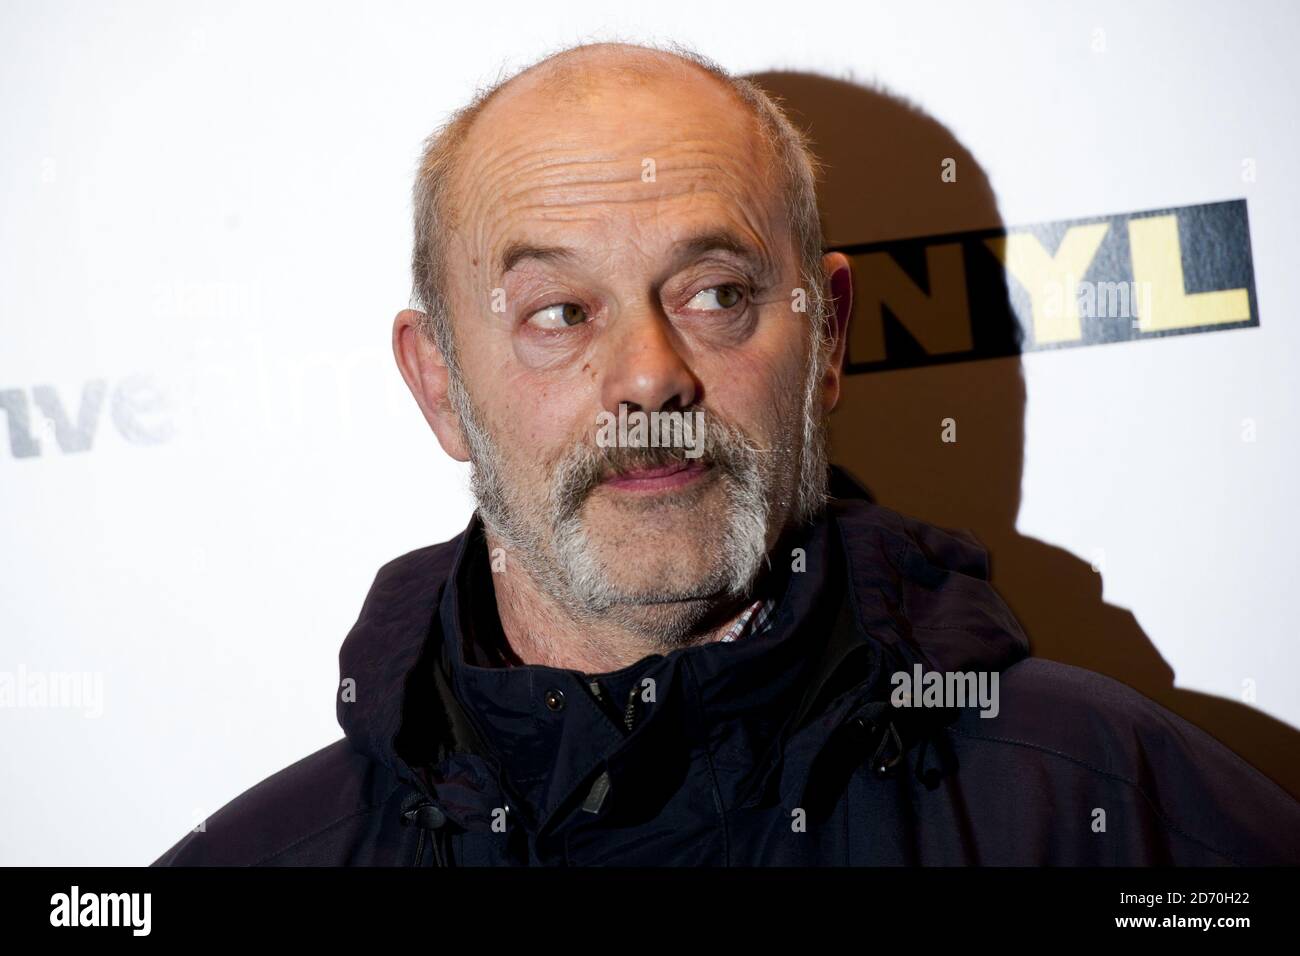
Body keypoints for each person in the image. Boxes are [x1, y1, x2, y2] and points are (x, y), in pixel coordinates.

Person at [154, 40, 1300, 866]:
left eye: (713, 292)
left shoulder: (1110, 805)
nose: (649, 375)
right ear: (439, 384)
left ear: (829, 336)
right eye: (560, 311)